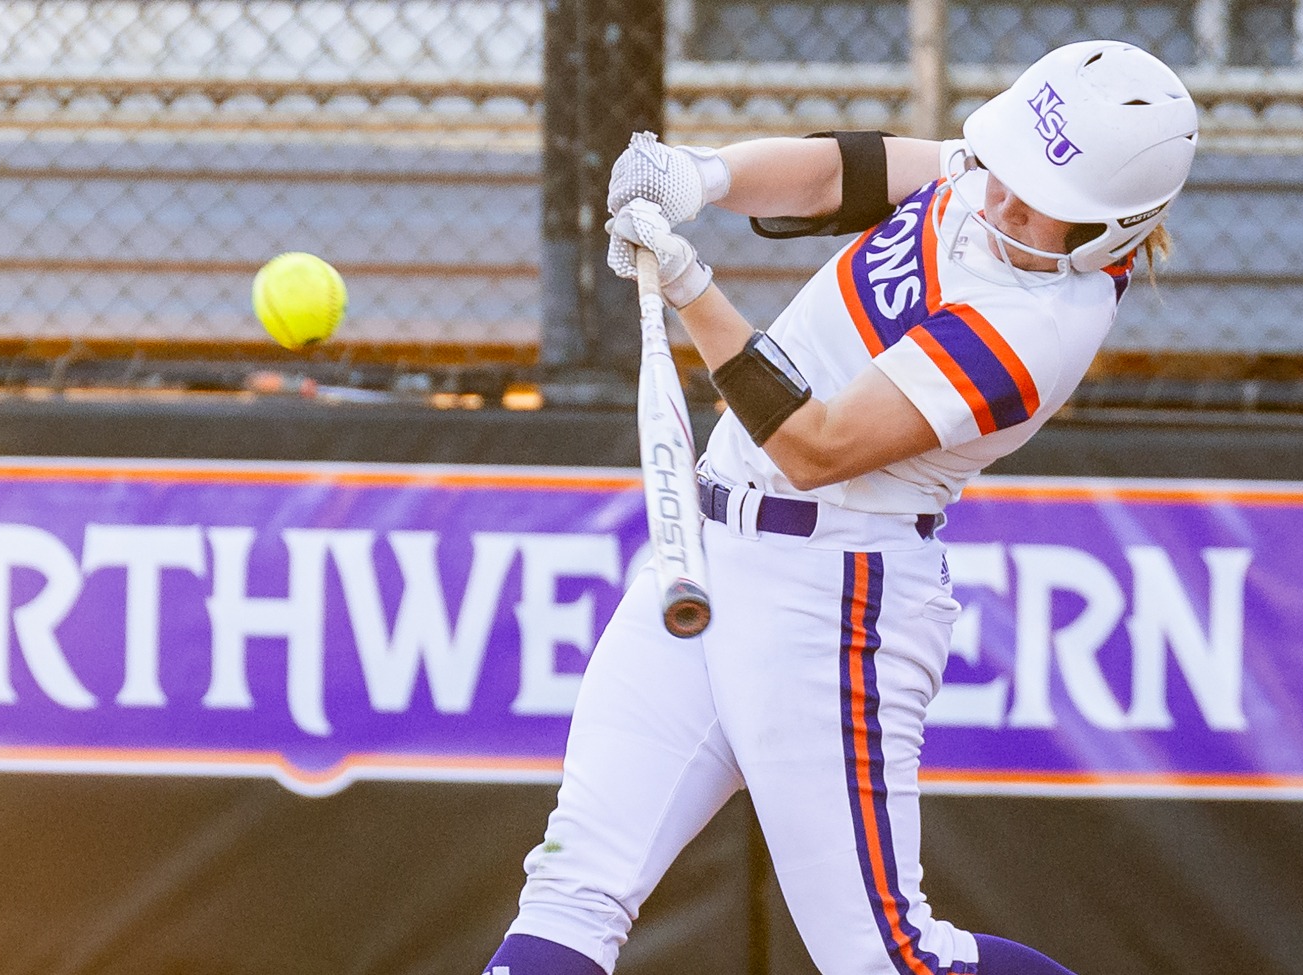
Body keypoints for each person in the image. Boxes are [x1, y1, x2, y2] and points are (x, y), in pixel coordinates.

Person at [483, 39, 1198, 975]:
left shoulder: (1037, 327)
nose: (999, 200)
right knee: (574, 888)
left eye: (1039, 203)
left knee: (885, 957)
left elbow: (814, 446)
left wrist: (692, 285)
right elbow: (837, 173)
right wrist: (700, 176)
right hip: (706, 547)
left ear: (1110, 229)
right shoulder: (995, 178)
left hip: (835, 593)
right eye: (1006, 169)